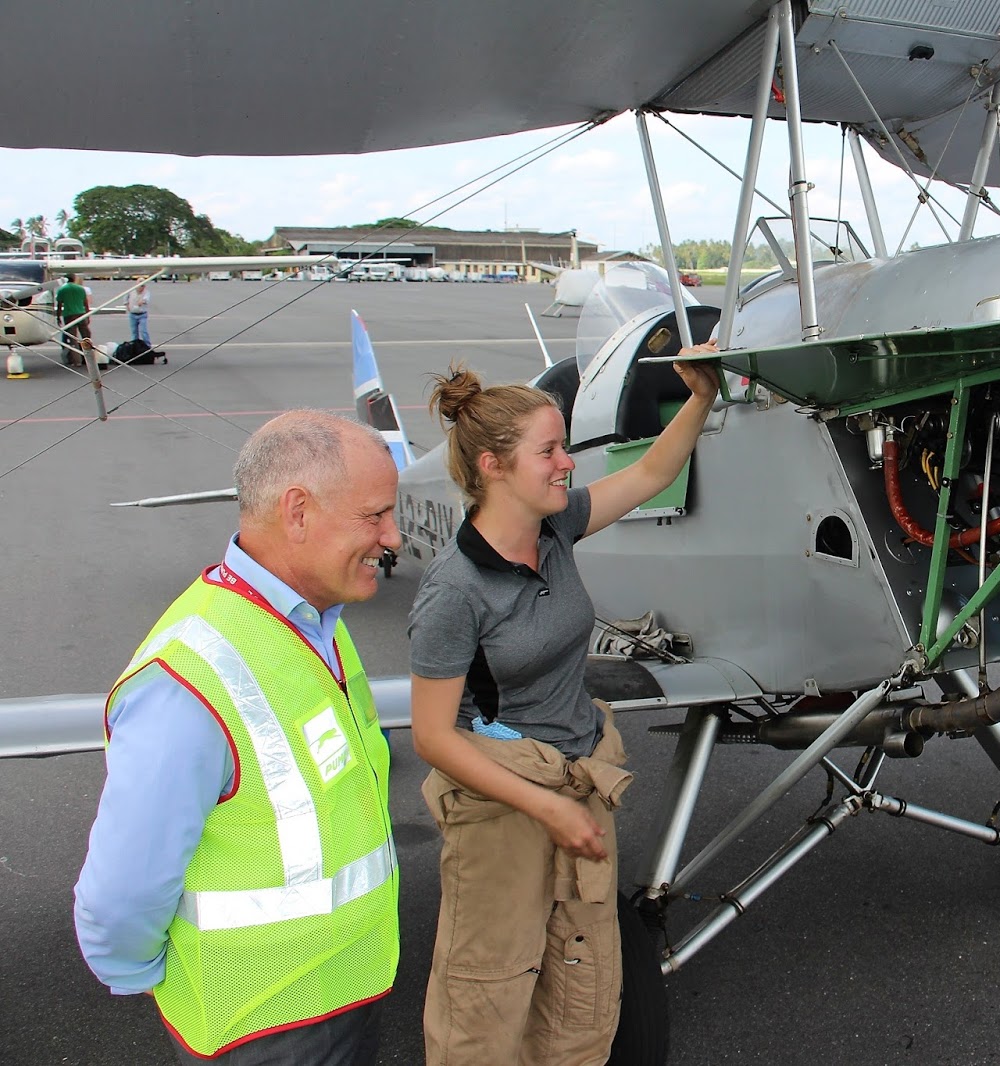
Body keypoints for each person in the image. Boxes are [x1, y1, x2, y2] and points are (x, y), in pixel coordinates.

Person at [409, 344, 719, 1064]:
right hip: (500, 805)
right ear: (493, 467)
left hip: (576, 778)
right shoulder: (454, 593)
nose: (567, 463)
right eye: (550, 451)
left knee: (581, 984)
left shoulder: (554, 529)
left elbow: (650, 473)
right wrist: (545, 806)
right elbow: (432, 735)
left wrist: (700, 397)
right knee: (487, 996)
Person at [74, 410, 404, 1065]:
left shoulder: (315, 622)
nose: (393, 538)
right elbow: (119, 897)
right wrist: (145, 975)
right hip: (263, 1030)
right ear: (299, 512)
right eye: (375, 516)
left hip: (342, 993)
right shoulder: (186, 680)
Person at [55, 272, 92, 367]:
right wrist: (87, 315)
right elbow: (85, 303)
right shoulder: (80, 289)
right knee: (86, 337)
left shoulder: (62, 289)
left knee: (72, 339)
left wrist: (58, 316)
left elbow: (59, 304)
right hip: (81, 313)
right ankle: (90, 358)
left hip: (69, 315)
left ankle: (77, 361)